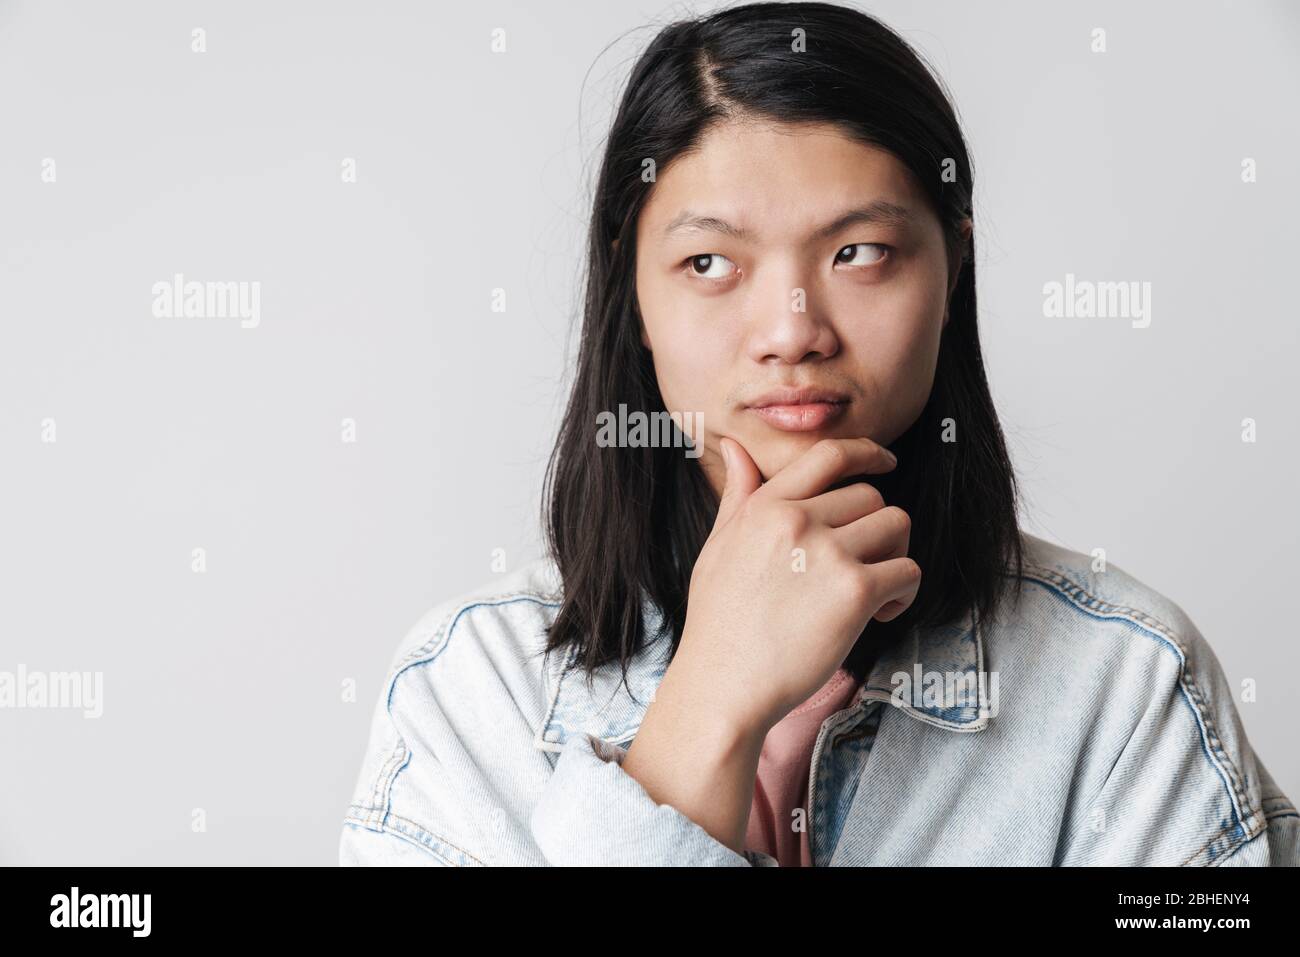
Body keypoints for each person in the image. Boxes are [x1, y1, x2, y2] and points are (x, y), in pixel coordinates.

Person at [339, 1, 1297, 866]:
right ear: (632, 289)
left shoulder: (1124, 686)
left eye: (859, 253)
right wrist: (711, 698)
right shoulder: (470, 695)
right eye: (710, 261)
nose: (794, 327)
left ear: (953, 267)